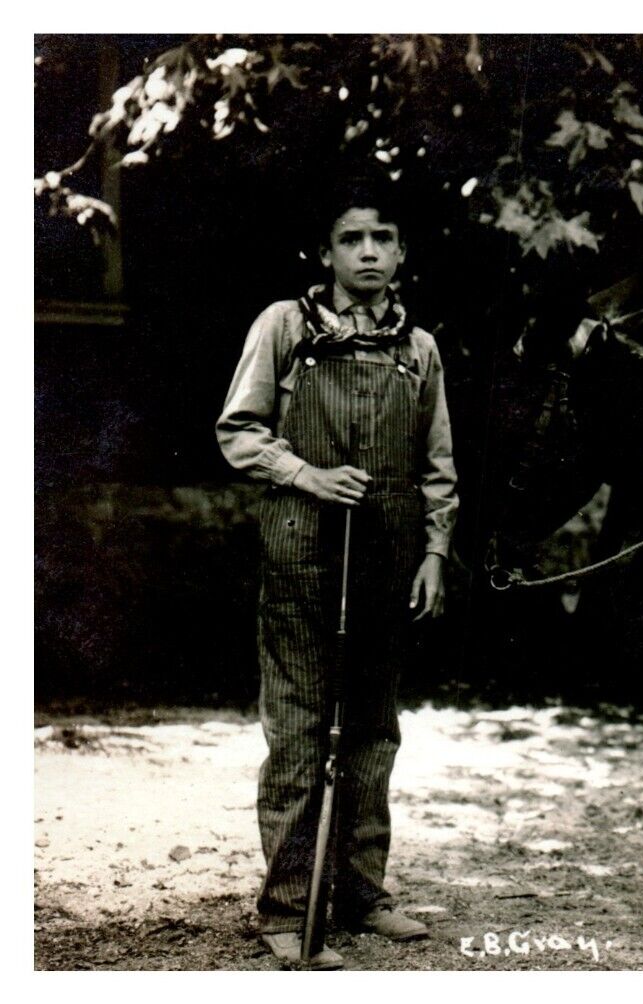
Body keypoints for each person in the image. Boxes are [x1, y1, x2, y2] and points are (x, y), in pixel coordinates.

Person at [217, 179, 458, 967]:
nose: (368, 252)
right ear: (327, 253)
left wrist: (433, 553)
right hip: (300, 553)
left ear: (401, 253)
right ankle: (286, 909)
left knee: (372, 735)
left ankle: (360, 894)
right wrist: (308, 474)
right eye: (352, 239)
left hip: (388, 560)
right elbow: (239, 429)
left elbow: (438, 467)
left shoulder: (417, 348)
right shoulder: (286, 327)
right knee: (297, 732)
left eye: (382, 239)